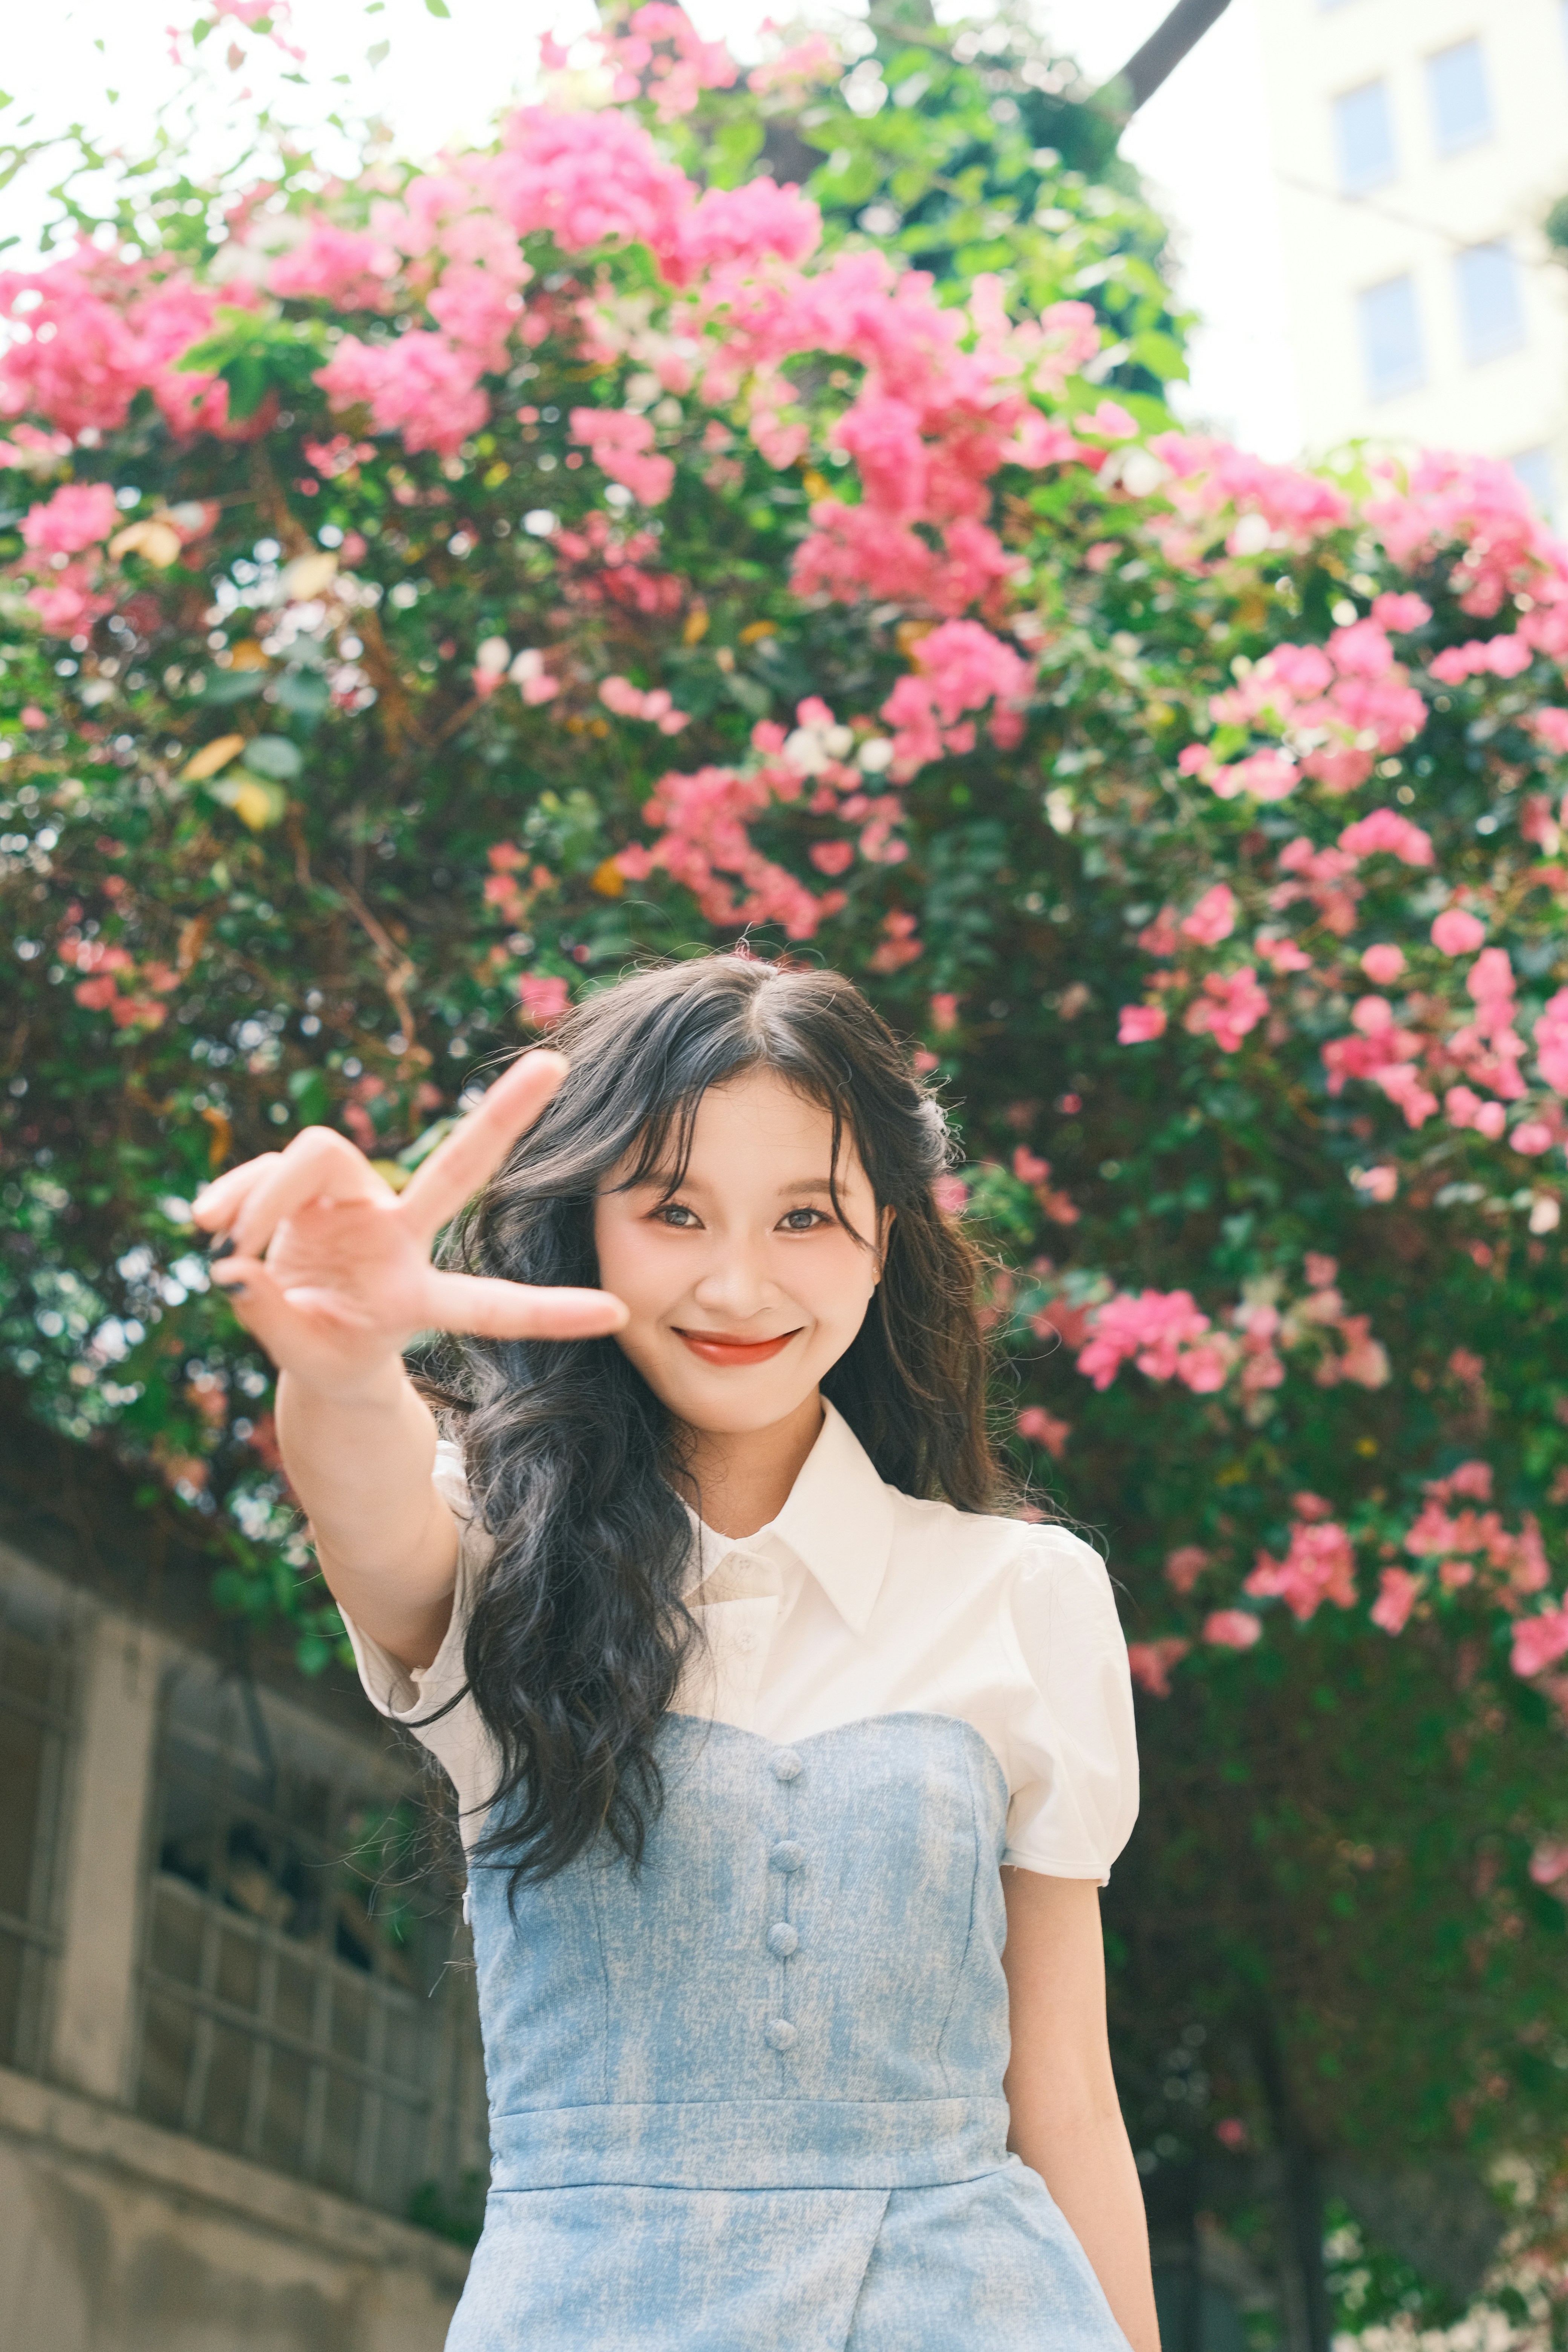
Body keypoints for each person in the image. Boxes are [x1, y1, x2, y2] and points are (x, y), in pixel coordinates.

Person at [194, 954, 1157, 2352]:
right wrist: (344, 1363)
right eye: (675, 1209)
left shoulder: (1025, 1594)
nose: (739, 1279)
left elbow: (1066, 2095)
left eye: (808, 1215)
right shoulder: (492, 1554)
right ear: (590, 1226)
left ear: (885, 1236)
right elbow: (369, 1499)